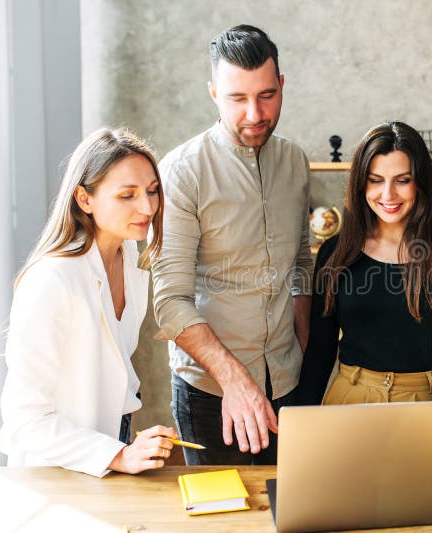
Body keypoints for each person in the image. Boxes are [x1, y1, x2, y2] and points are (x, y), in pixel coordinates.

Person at [151, 25, 311, 465]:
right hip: (211, 395)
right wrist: (235, 382)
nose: (255, 114)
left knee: (293, 514)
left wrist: (301, 349)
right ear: (213, 93)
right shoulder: (181, 172)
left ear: (282, 85)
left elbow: (300, 265)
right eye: (237, 99)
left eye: (266, 95)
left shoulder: (295, 161)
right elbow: (170, 302)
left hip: (288, 386)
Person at [0, 128, 178, 478]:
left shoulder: (128, 256)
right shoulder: (52, 279)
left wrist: (126, 450)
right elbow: (24, 418)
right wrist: (118, 456)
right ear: (84, 199)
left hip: (108, 453)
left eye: (152, 191)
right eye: (127, 195)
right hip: (53, 473)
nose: (147, 207)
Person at [296, 122, 432, 405]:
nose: (388, 195)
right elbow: (319, 352)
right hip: (350, 398)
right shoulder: (336, 253)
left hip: (430, 401)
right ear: (361, 182)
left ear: (421, 182)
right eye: (375, 180)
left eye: (402, 180)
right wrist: (299, 426)